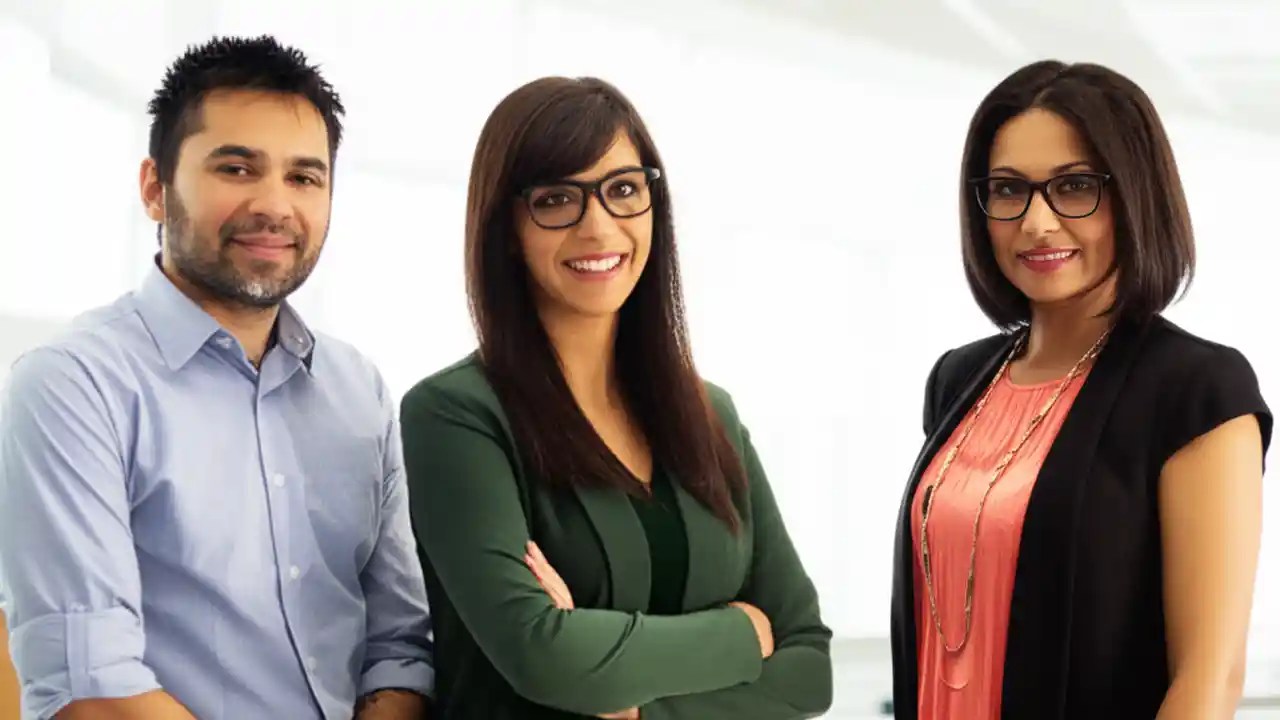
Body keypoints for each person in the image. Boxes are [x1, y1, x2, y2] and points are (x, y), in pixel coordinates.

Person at [0, 35, 433, 719]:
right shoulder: (72, 386)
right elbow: (92, 689)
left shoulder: (359, 390)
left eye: (304, 178)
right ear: (155, 188)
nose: (275, 206)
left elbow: (400, 647)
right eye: (236, 168)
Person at [399, 76, 833, 719]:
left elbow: (809, 670)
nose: (598, 227)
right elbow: (543, 656)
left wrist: (633, 707)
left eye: (623, 190)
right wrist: (742, 632)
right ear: (506, 227)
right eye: (556, 199)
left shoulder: (711, 415)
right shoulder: (454, 416)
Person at [890, 59, 1273, 719]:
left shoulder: (1196, 390)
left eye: (1074, 186)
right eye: (1008, 190)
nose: (1036, 222)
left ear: (1135, 195)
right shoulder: (957, 379)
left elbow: (1208, 680)